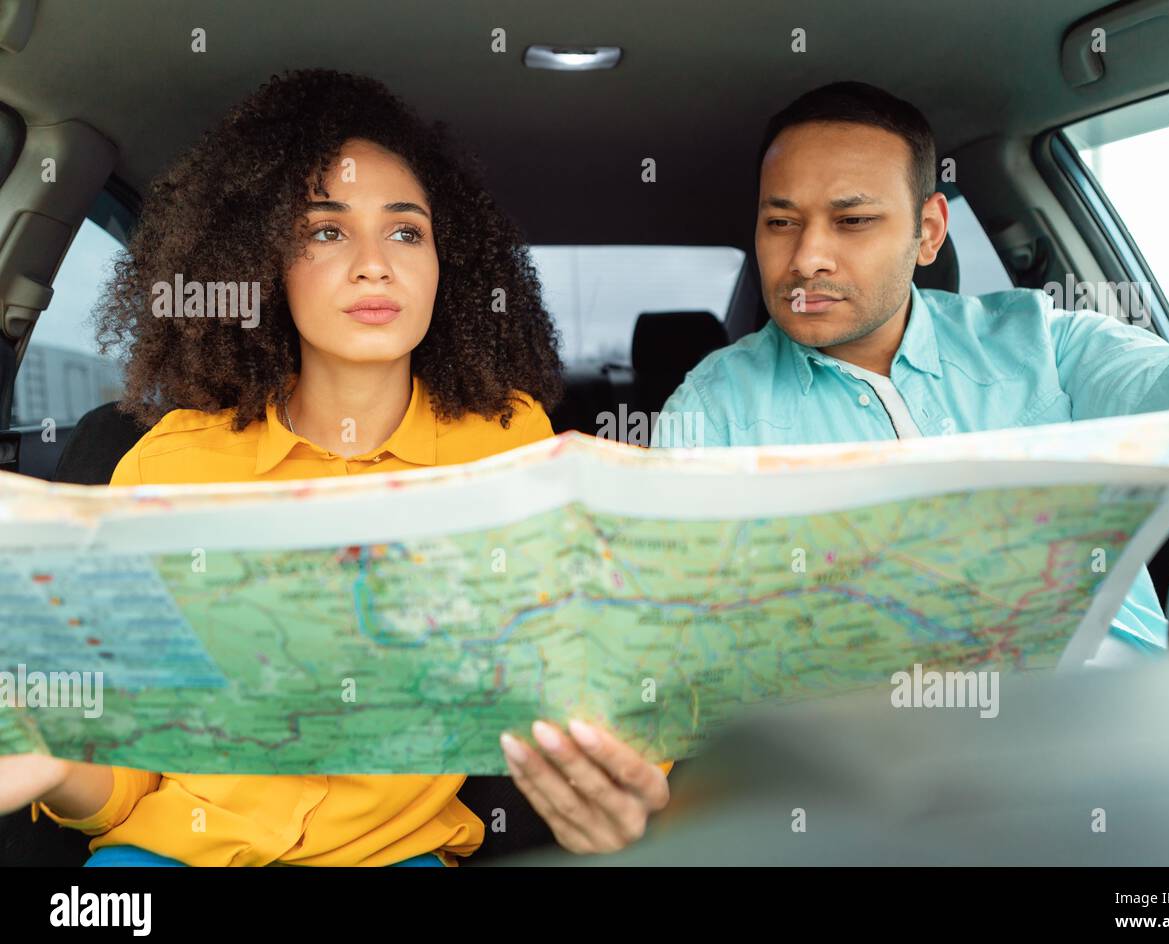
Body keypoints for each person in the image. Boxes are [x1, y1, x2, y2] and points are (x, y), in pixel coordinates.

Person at [0, 69, 669, 866]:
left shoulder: (510, 446)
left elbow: (589, 665)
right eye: (325, 232)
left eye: (405, 231)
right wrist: (50, 764)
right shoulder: (169, 462)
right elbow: (129, 777)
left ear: (443, 264)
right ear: (261, 264)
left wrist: (634, 769)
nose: (373, 264)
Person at [653, 80, 1169, 658]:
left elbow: (1168, 385)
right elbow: (676, 626)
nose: (807, 257)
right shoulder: (713, 411)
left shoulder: (1037, 340)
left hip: (1121, 719)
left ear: (929, 231)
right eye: (780, 222)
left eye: (851, 221)